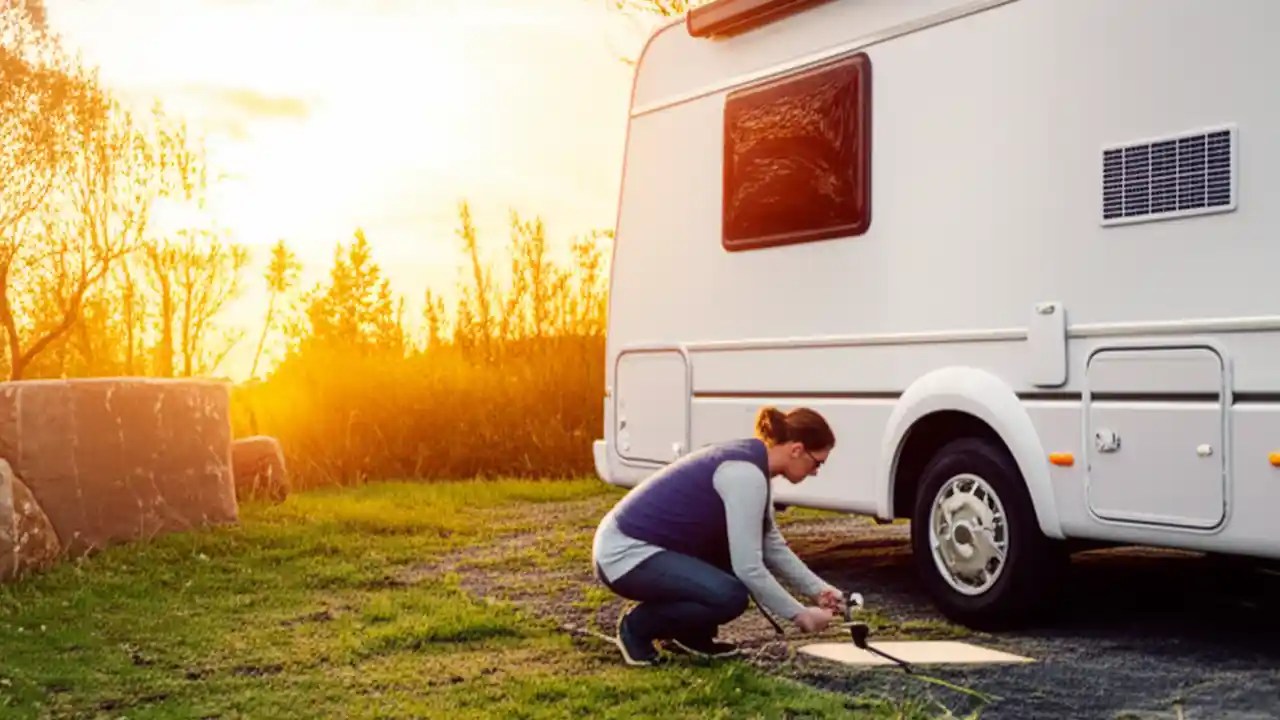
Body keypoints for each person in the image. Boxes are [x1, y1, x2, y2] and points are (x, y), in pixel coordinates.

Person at [591, 405, 846, 666]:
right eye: (817, 463)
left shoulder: (753, 465)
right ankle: (636, 628)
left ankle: (689, 636)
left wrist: (818, 590)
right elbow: (749, 568)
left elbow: (769, 543)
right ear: (796, 450)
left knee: (726, 563)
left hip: (647, 547)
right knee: (729, 595)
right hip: (623, 554)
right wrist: (800, 615)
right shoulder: (745, 475)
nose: (816, 472)